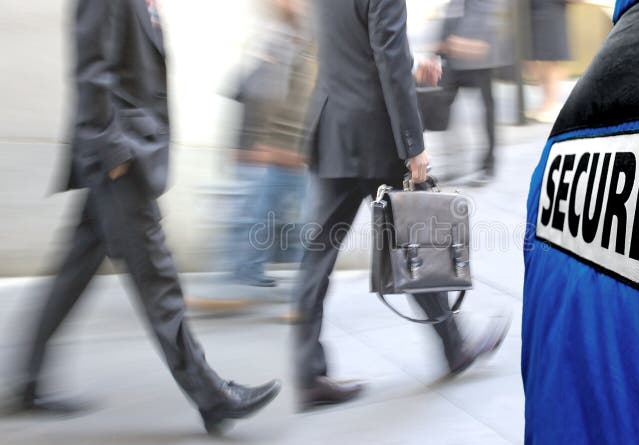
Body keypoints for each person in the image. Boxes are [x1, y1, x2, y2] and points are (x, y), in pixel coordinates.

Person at [12, 0, 280, 434]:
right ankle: (211, 395)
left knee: (74, 271)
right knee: (157, 276)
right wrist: (113, 152)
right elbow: (91, 67)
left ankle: (28, 380)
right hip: (120, 158)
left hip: (127, 153)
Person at [294, 0, 511, 410]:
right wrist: (414, 147)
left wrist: (410, 70)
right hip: (373, 134)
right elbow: (388, 58)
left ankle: (306, 374)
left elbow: (354, 52)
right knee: (413, 242)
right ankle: (454, 347)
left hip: (332, 128)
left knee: (317, 257)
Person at [227, 0, 313, 291]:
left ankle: (303, 290)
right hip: (274, 149)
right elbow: (256, 90)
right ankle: (245, 278)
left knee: (299, 223)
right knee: (258, 219)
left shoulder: (309, 35)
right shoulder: (276, 34)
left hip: (293, 149)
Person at [438, 0, 511, 183]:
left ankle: (488, 165)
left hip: (476, 50)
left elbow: (491, 9)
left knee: (486, 110)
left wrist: (466, 42)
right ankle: (454, 162)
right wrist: (444, 37)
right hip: (455, 51)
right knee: (442, 106)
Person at [526, 0, 571, 123]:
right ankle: (547, 102)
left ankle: (550, 104)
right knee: (531, 57)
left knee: (551, 59)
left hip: (552, 11)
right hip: (532, 11)